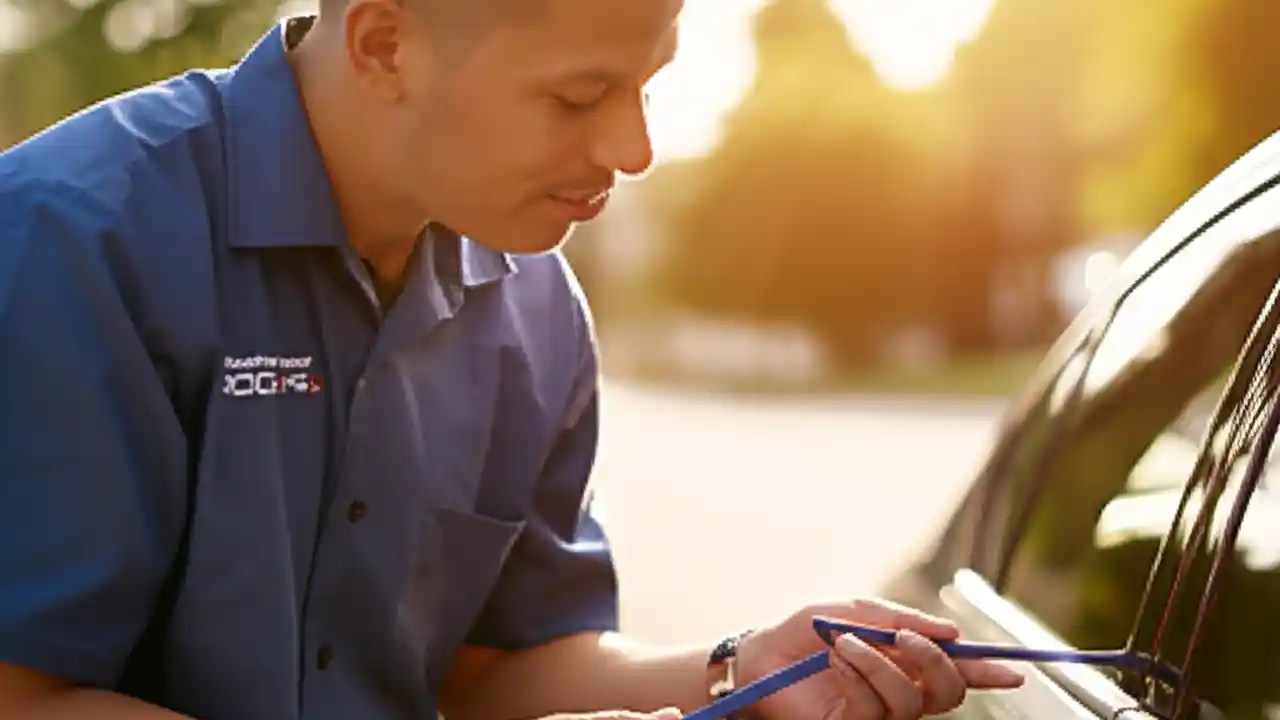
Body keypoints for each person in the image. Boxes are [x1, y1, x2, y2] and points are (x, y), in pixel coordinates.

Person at [0, 0, 1024, 718]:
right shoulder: (68, 243)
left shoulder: (535, 311)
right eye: (579, 97)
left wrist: (738, 673)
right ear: (385, 45)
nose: (633, 149)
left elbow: (500, 672)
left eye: (648, 85)